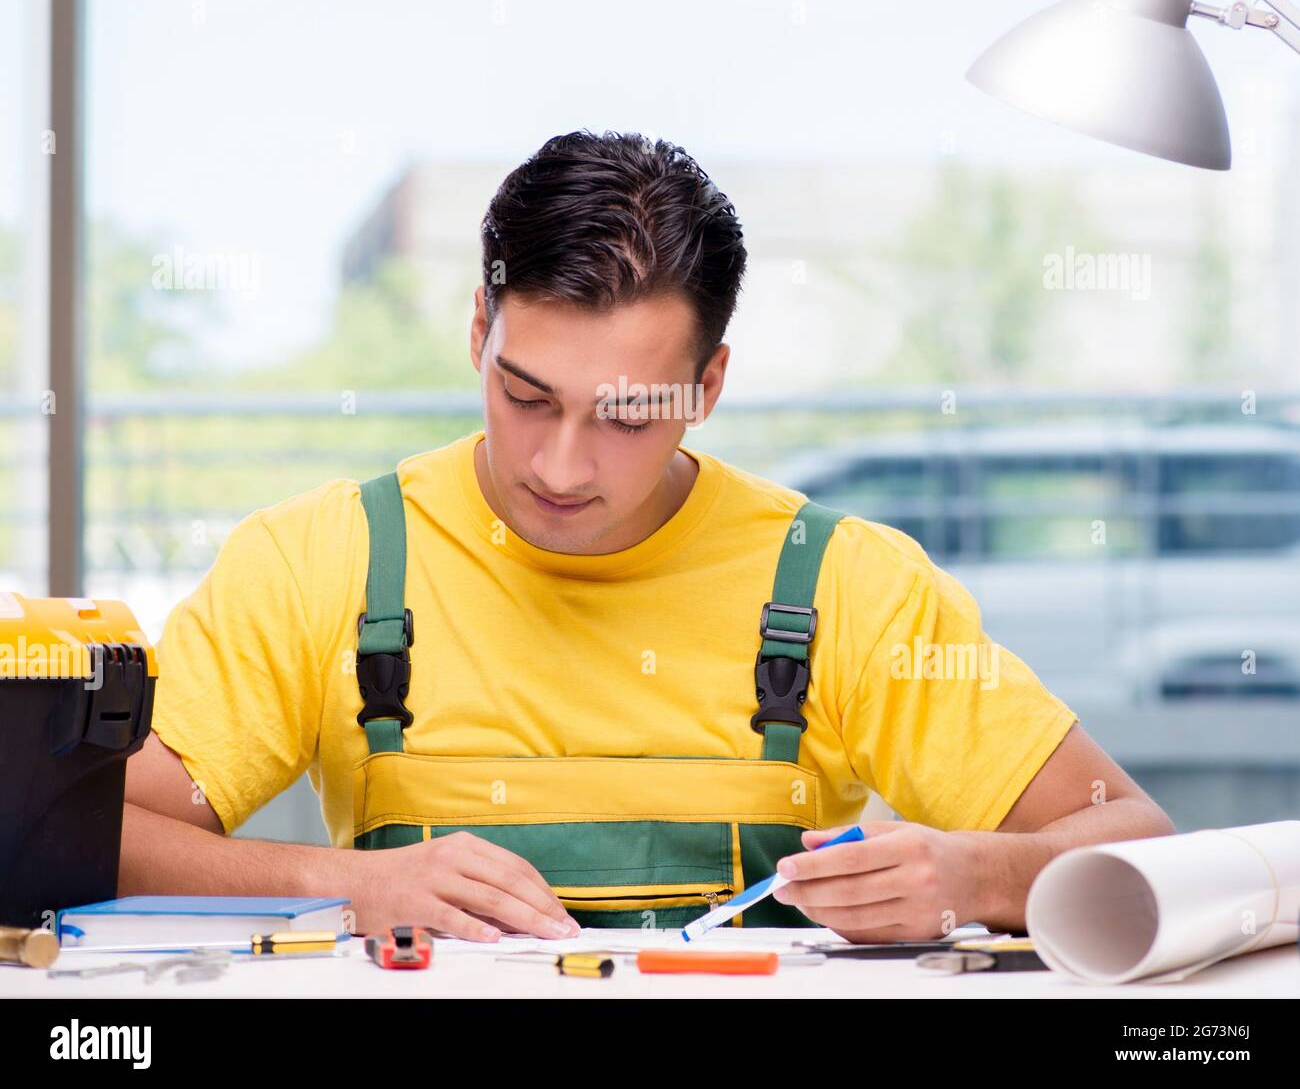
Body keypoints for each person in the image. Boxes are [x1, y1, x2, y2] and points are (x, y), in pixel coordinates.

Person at [123, 130, 1173, 943]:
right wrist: (343, 884)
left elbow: (1134, 838)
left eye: (626, 415)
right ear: (478, 332)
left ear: (709, 384)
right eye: (526, 393)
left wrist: (974, 875)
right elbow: (85, 836)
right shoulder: (325, 559)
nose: (559, 465)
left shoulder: (846, 584)